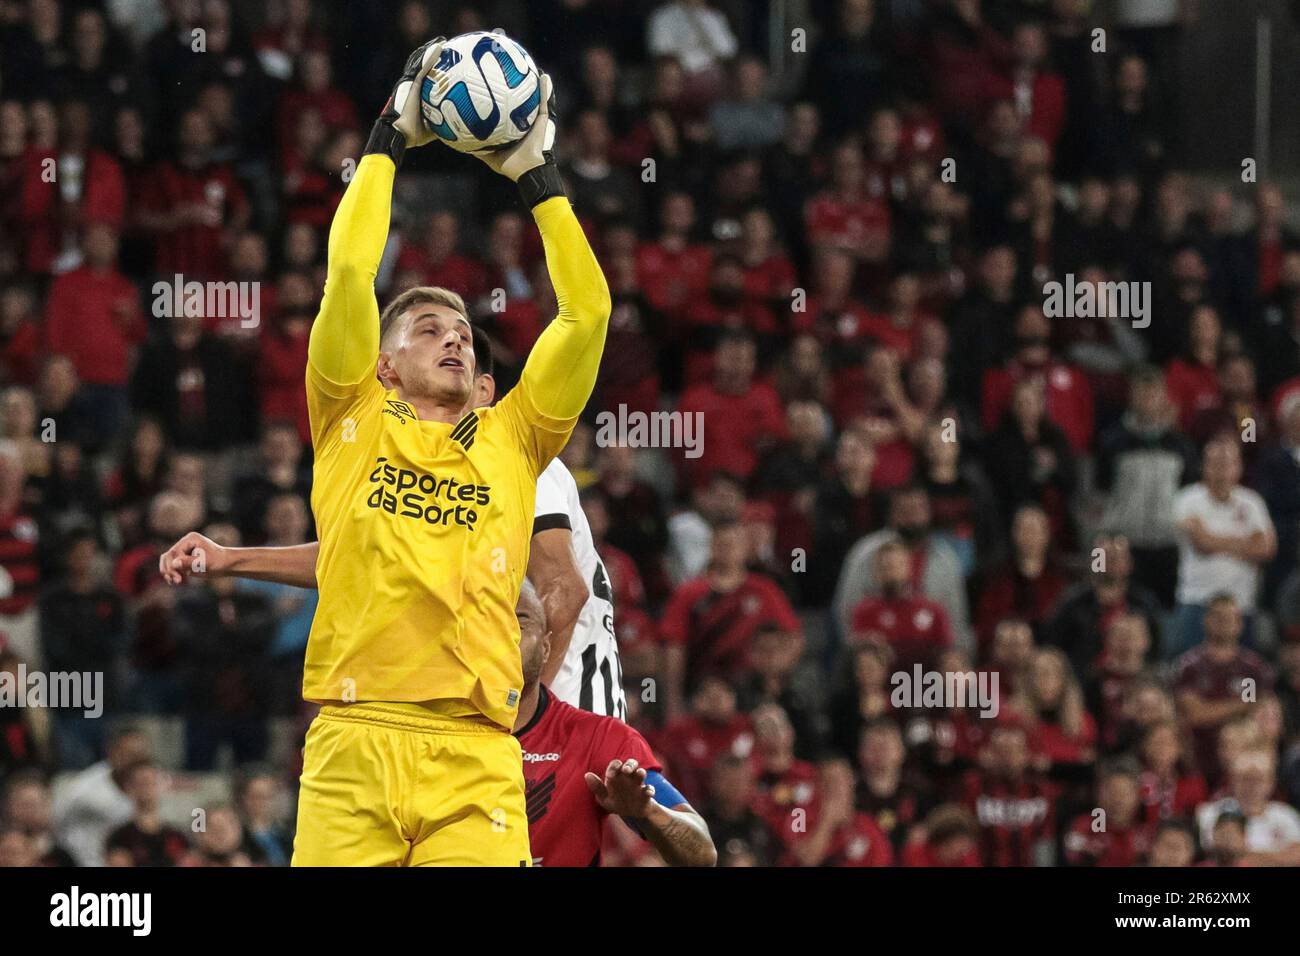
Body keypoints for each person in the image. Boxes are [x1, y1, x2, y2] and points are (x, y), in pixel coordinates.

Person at [266, 41, 607, 865]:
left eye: (462, 331)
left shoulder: (515, 436)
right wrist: (390, 133)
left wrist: (536, 176)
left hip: (476, 752)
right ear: (384, 365)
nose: (453, 337)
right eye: (427, 329)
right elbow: (349, 270)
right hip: (353, 743)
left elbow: (587, 314)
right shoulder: (349, 411)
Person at [160, 328, 625, 719]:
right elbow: (353, 557)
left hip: (563, 693)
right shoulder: (421, 469)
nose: (394, 399)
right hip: (487, 704)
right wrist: (229, 559)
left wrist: (534, 723)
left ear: (482, 392)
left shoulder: (519, 460)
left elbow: (564, 590)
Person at [511, 580, 714, 866]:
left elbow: (703, 854)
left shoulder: (598, 737)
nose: (505, 634)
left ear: (546, 647)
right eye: (492, 621)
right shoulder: (435, 731)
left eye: (520, 623)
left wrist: (648, 812)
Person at [1170, 433, 1276, 657]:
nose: (1222, 469)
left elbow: (1266, 549)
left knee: (1241, 677)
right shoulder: (1188, 499)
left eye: (1228, 463)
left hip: (1241, 604)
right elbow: (1202, 544)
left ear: (1238, 466)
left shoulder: (1252, 502)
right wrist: (1245, 543)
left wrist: (1214, 539)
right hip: (1197, 601)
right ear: (1204, 466)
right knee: (1190, 672)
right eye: (1216, 463)